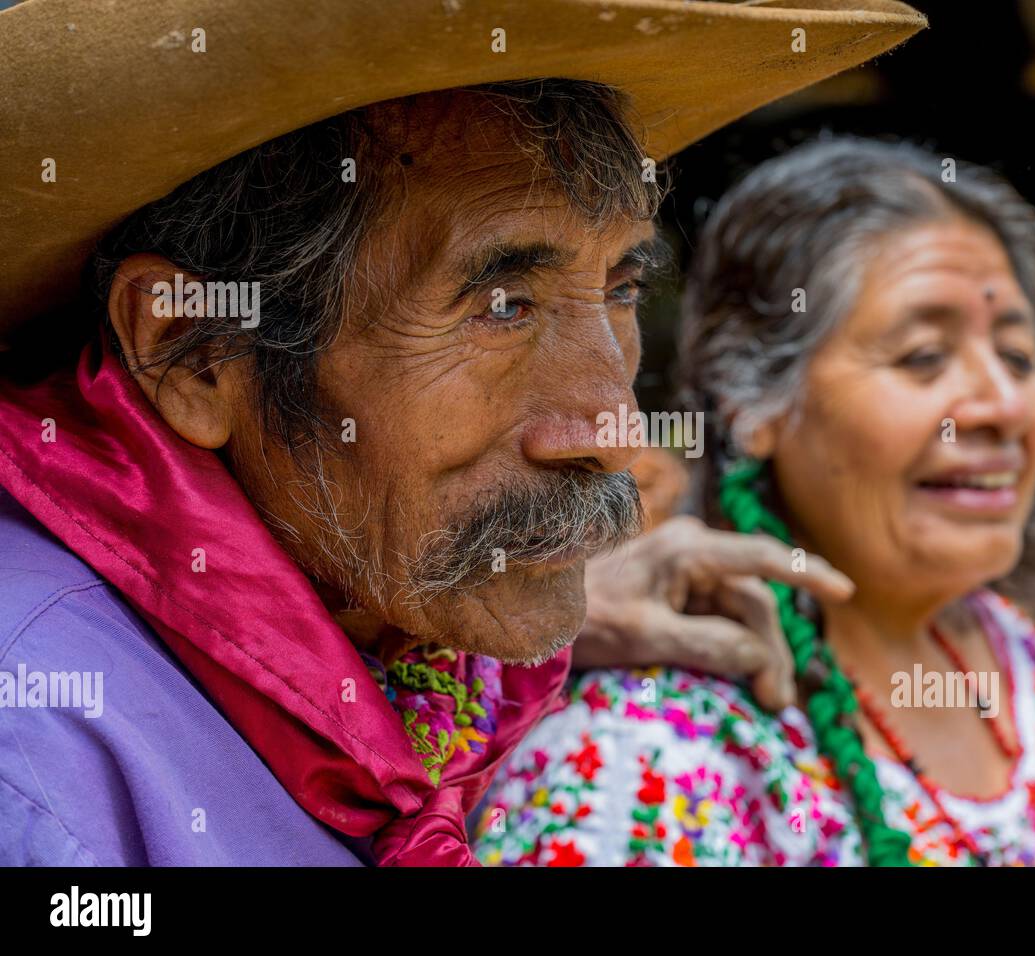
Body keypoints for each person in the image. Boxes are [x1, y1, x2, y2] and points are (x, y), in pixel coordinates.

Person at [0, 0, 925, 866]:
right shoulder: (37, 749)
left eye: (620, 289)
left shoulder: (409, 625)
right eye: (502, 306)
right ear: (194, 352)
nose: (615, 427)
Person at [474, 138, 1035, 866]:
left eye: (1018, 357)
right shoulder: (654, 759)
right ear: (753, 400)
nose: (1002, 405)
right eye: (924, 356)